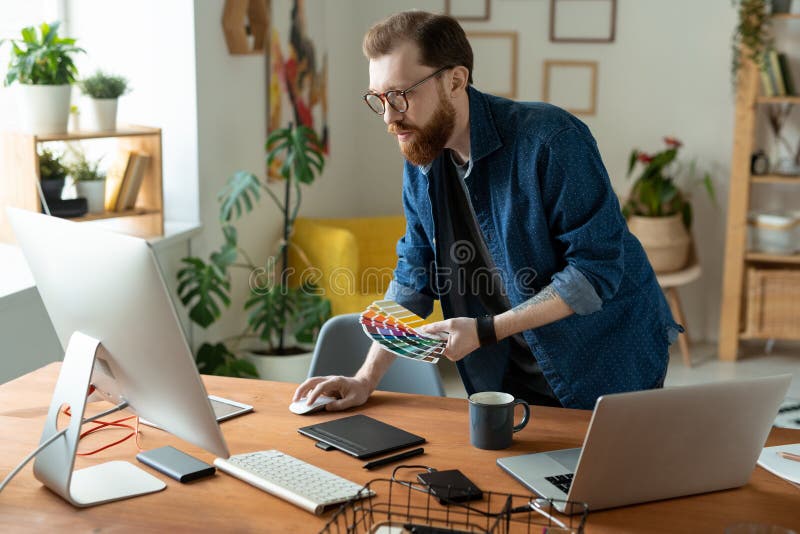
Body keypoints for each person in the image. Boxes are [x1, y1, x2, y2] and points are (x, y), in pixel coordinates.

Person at [293, 11, 681, 411]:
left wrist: (486, 329)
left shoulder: (551, 141)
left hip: (605, 358)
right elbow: (413, 276)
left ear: (456, 80)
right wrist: (364, 378)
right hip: (509, 367)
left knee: (601, 475)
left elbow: (593, 272)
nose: (390, 117)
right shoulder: (421, 157)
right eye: (379, 99)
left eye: (400, 95)